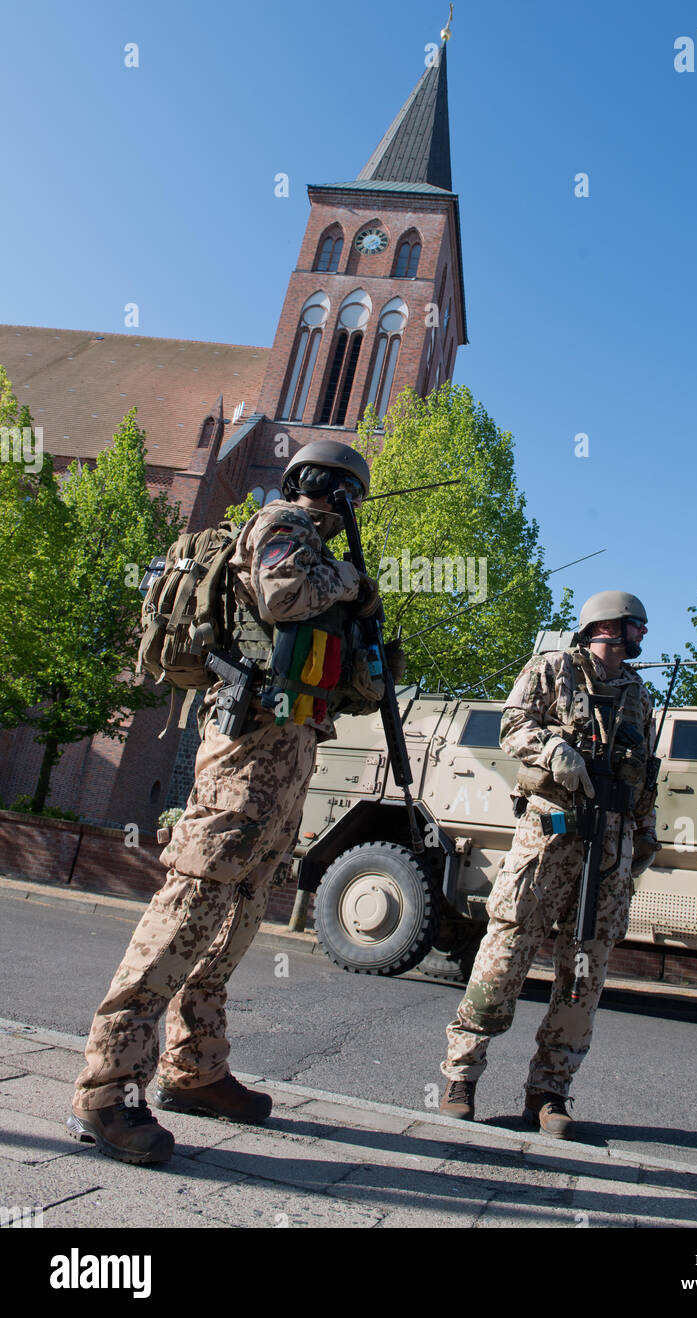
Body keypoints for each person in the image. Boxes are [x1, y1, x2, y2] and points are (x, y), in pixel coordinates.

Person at [67, 440, 404, 1165]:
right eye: (353, 498)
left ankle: (196, 1069)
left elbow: (334, 664)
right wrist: (350, 580)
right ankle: (106, 1087)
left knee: (239, 913)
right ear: (335, 490)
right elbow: (284, 595)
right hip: (246, 752)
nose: (354, 516)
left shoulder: (318, 548)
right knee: (188, 907)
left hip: (289, 755)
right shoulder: (281, 525)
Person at [439, 591, 659, 1137]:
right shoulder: (552, 668)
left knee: (586, 967)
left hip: (609, 846)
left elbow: (646, 770)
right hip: (550, 837)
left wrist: (646, 831)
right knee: (506, 950)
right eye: (636, 627)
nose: (641, 639)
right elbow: (510, 726)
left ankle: (550, 1092)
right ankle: (461, 1077)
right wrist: (553, 750)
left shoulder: (637, 693)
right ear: (605, 626)